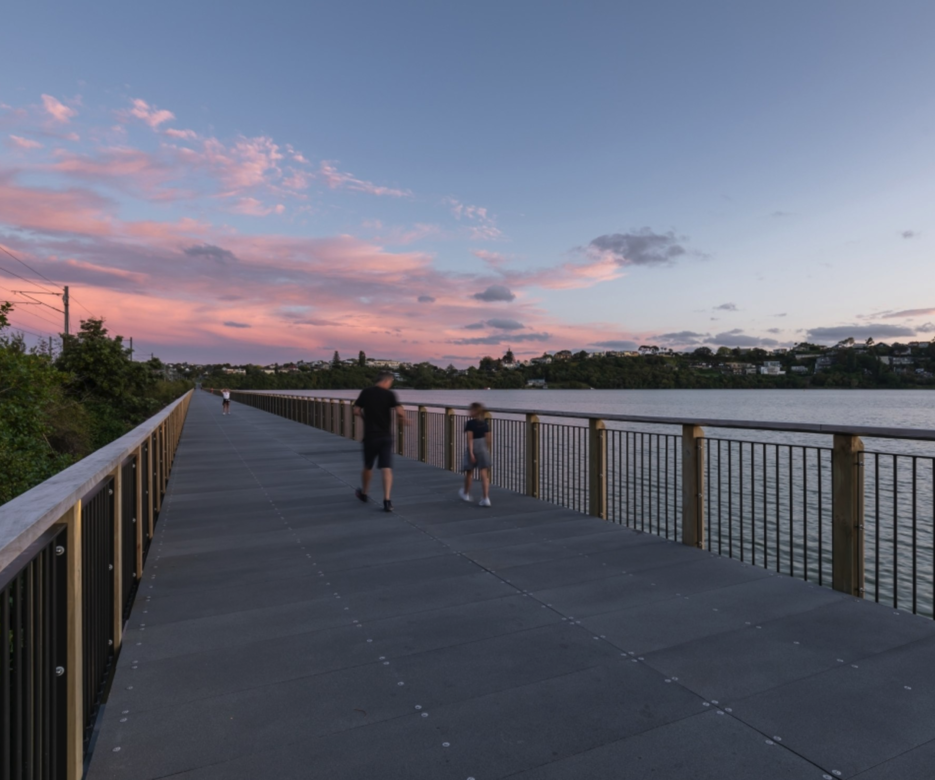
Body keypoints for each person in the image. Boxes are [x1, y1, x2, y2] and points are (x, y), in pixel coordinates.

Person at [353, 372, 408, 512]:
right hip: (385, 436)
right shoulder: (390, 394)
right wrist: (403, 419)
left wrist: (364, 418)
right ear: (387, 381)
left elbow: (356, 410)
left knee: (368, 466)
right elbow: (400, 411)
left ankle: (364, 493)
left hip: (370, 435)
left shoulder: (366, 392)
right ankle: (387, 500)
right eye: (391, 382)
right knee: (386, 468)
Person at [459, 402, 492, 506]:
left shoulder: (470, 424)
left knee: (469, 472)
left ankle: (466, 493)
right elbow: (489, 439)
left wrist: (471, 453)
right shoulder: (485, 423)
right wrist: (487, 449)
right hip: (483, 448)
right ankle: (486, 498)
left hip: (474, 448)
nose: (468, 411)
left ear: (474, 412)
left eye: (470, 410)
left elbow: (470, 439)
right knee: (484, 474)